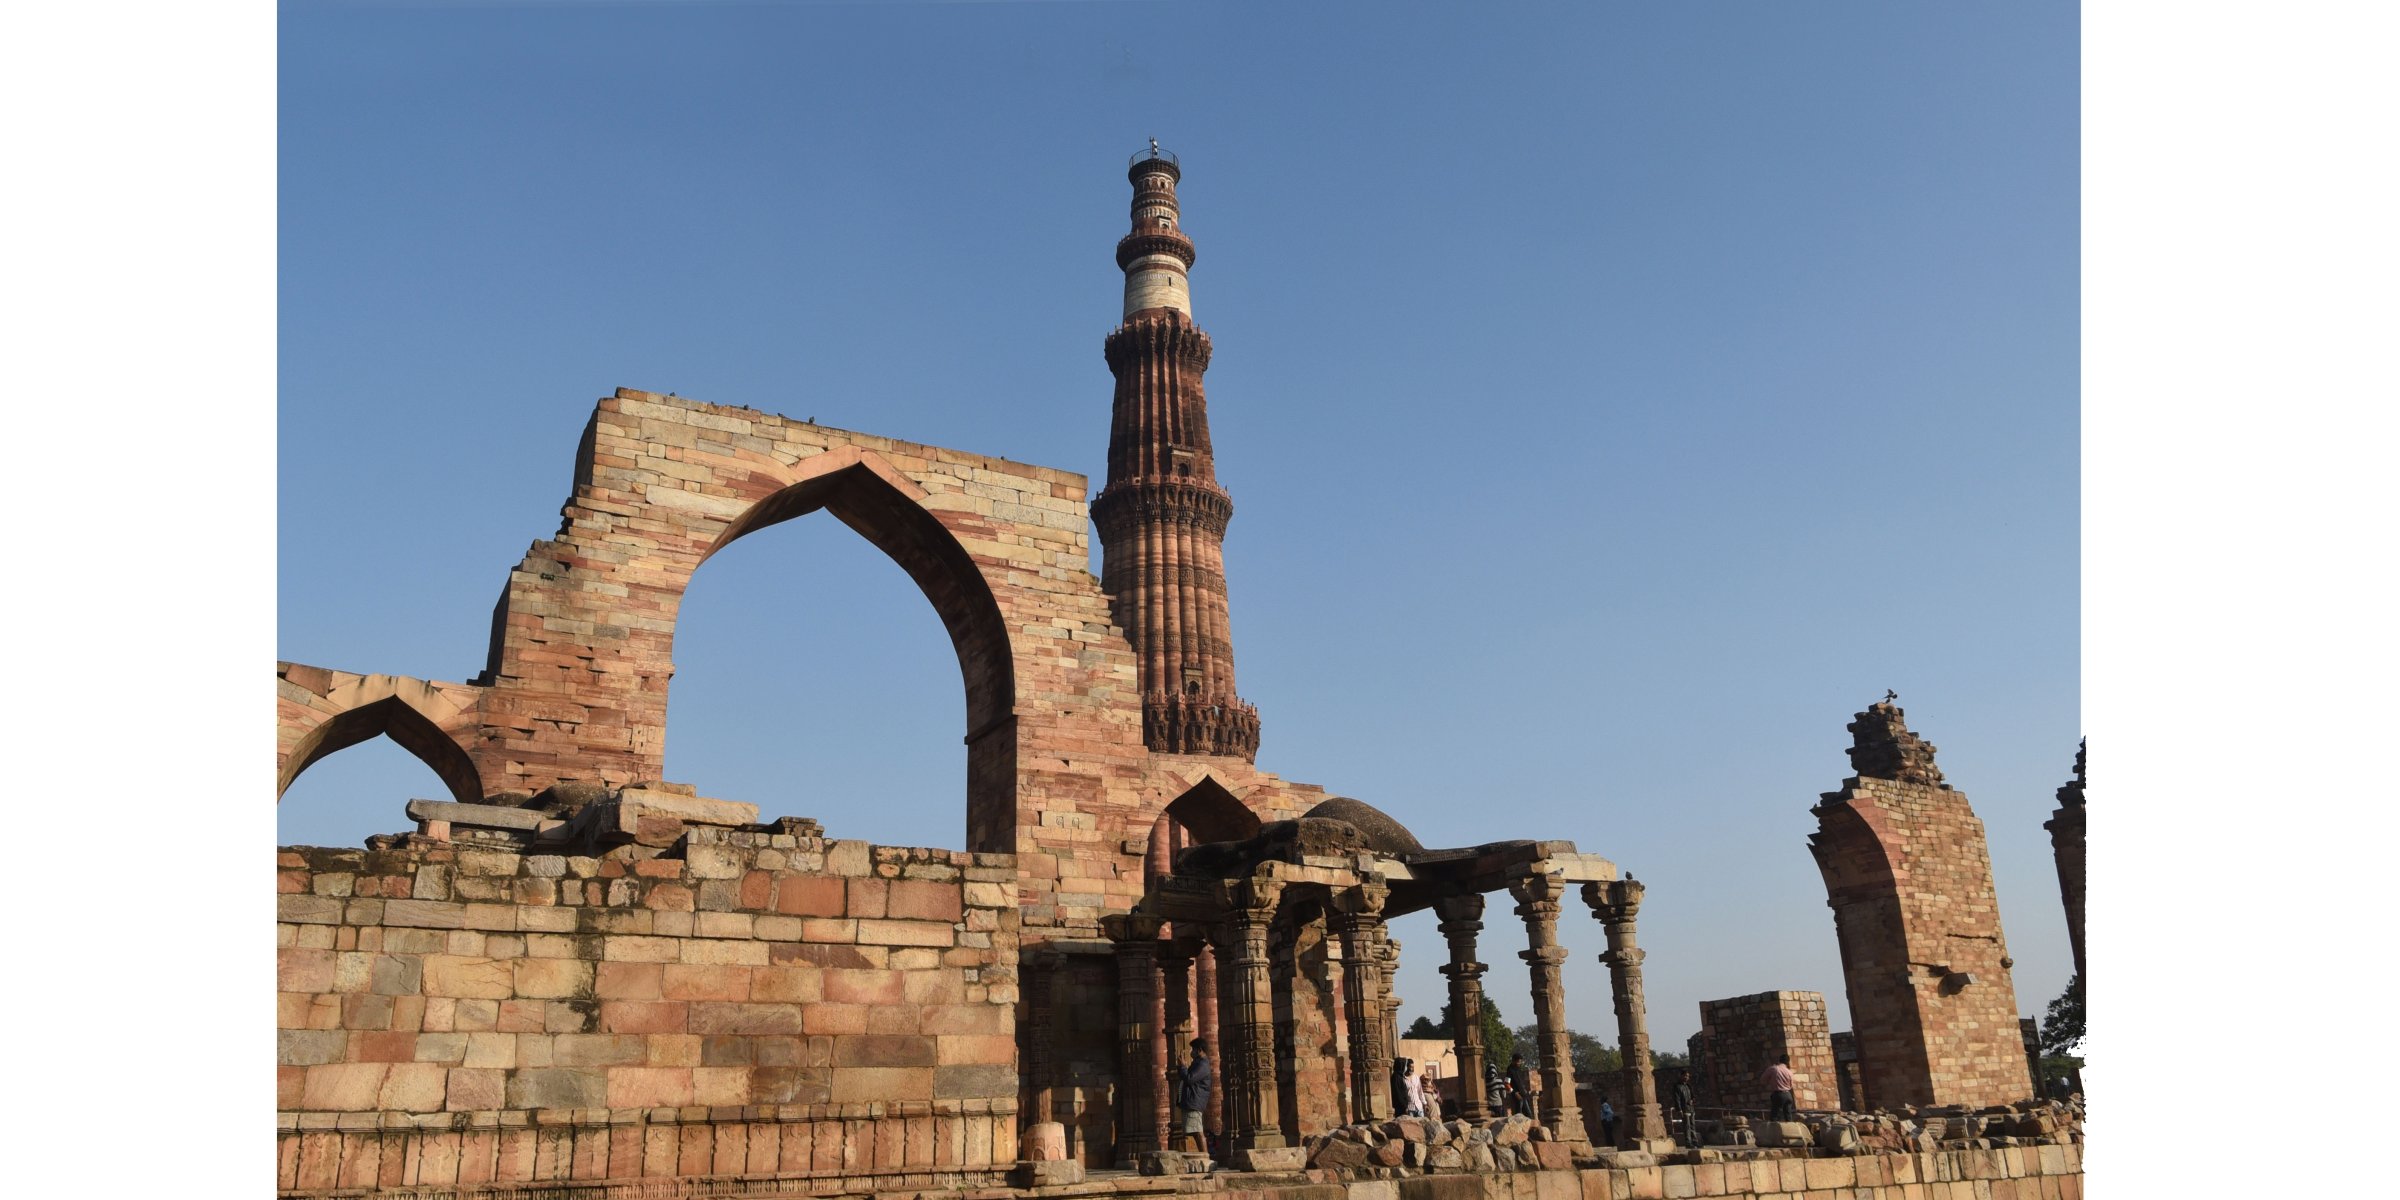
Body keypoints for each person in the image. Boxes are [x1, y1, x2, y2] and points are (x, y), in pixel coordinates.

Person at [1174, 1039, 1214, 1156]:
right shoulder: (1197, 1063)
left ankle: (1205, 1157)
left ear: (1199, 1050)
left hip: (1195, 1101)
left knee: (1198, 1131)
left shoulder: (1202, 1064)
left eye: (1193, 1049)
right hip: (1192, 1100)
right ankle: (1203, 1155)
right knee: (1195, 1131)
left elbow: (1189, 1078)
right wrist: (1183, 1067)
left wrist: (1182, 1067)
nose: (1191, 1052)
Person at [1761, 1055, 1797, 1122]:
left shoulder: (1773, 1069)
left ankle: (1774, 1131)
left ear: (1779, 1060)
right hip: (1788, 1095)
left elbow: (1763, 1079)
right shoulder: (1789, 1072)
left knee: (1775, 1115)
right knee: (1788, 1115)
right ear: (1788, 1062)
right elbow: (1791, 1085)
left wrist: (1771, 1082)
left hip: (1778, 1094)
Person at [1507, 1052, 1536, 1118]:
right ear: (1514, 1061)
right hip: (1517, 1097)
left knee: (1529, 1115)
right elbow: (1506, 1084)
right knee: (1519, 1116)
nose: (1519, 1063)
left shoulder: (1518, 1070)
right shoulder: (1510, 1070)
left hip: (1523, 1095)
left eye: (1520, 1062)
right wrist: (1515, 1093)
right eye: (1518, 1062)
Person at [1671, 1073, 1696, 1146]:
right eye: (1685, 1076)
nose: (1686, 1077)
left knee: (1692, 1125)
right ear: (1681, 1076)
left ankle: (1695, 1141)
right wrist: (1679, 1109)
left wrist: (1692, 1100)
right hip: (1684, 1109)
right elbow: (1677, 1099)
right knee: (1687, 1126)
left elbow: (1693, 1096)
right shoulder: (1677, 1086)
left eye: (1688, 1076)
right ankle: (1688, 1142)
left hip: (1691, 1108)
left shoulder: (1688, 1086)